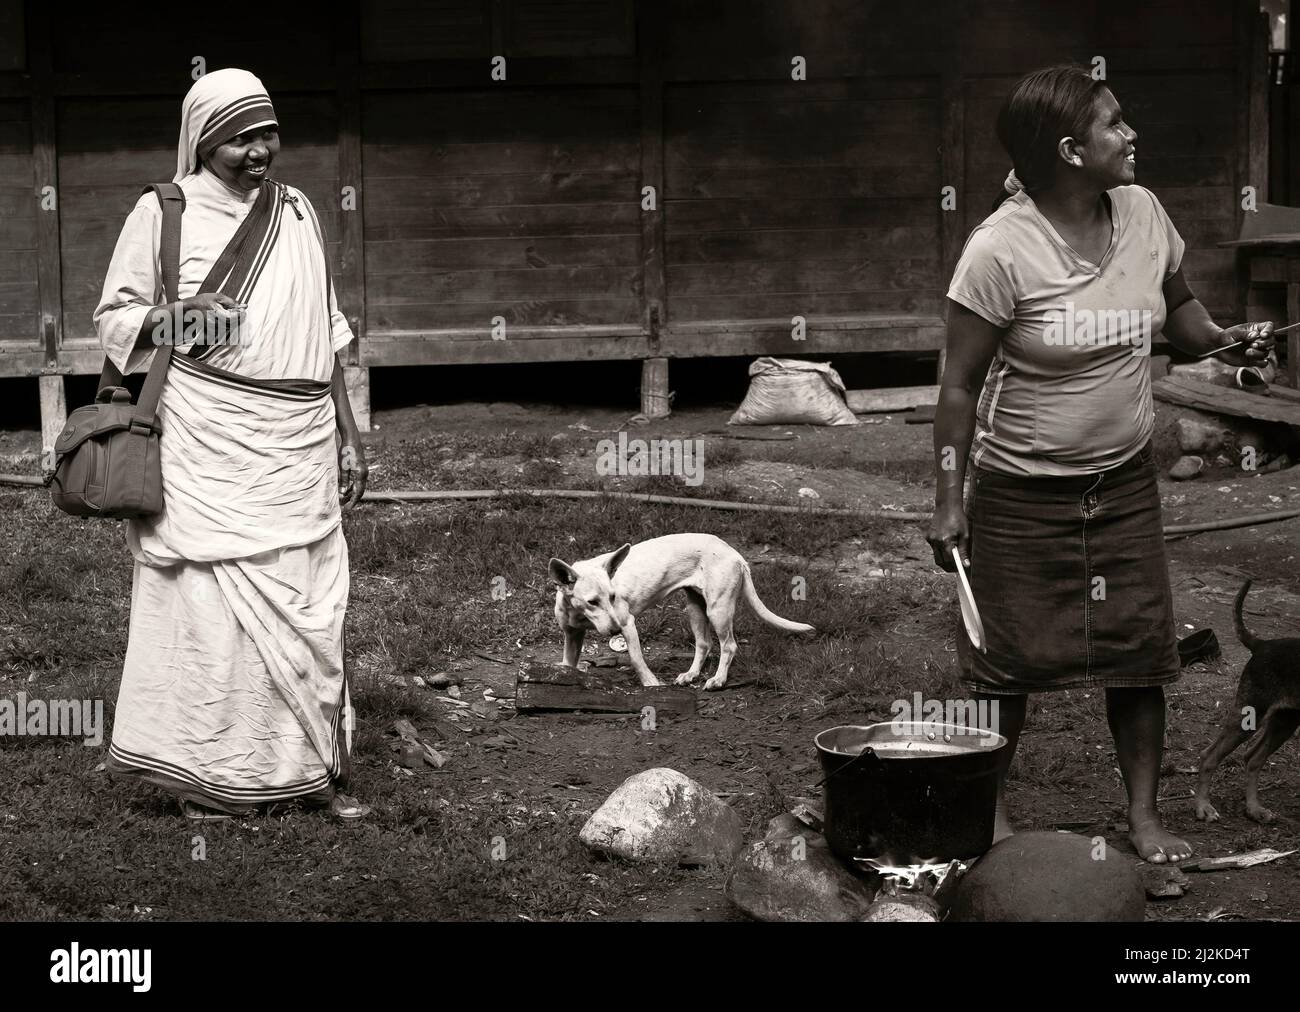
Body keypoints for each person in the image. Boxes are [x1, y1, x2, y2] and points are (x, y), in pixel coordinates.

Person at [927, 64, 1275, 864]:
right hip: (1019, 493)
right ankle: (988, 816)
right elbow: (956, 388)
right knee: (1002, 668)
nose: (1131, 134)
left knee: (1137, 653)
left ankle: (1144, 816)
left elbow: (1178, 310)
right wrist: (949, 500)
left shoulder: (1144, 211)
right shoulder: (999, 249)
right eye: (1114, 124)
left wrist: (1221, 340)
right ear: (1068, 151)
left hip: (1121, 484)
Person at [95, 68, 370, 822]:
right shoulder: (163, 212)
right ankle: (205, 773)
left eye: (268, 134)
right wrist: (180, 315)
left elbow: (327, 327)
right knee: (208, 603)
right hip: (205, 441)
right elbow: (117, 319)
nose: (259, 151)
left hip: (298, 440)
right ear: (203, 139)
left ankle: (299, 765)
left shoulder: (300, 211)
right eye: (240, 137)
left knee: (306, 593)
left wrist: (349, 433)